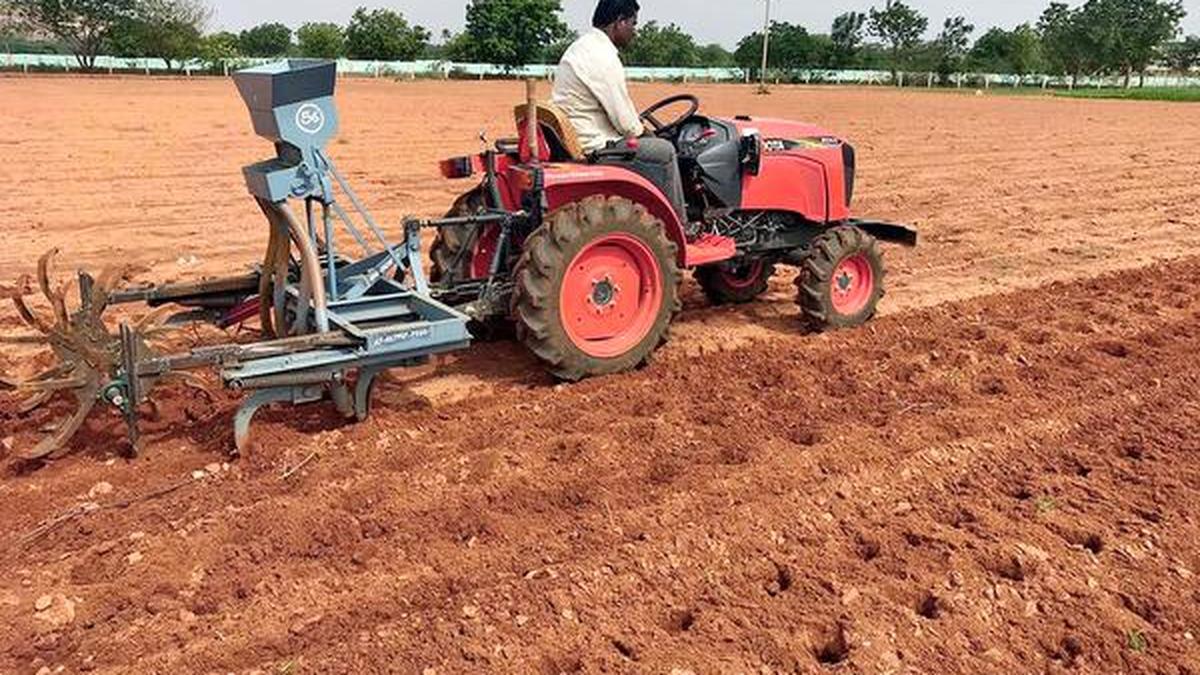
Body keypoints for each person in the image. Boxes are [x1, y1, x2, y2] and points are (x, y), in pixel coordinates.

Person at [551, 0, 688, 220]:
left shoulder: (581, 47)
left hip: (580, 135)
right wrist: (650, 135)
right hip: (594, 145)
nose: (635, 31)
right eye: (633, 24)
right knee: (665, 151)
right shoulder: (602, 56)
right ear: (619, 22)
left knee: (655, 145)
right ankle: (679, 225)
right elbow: (627, 124)